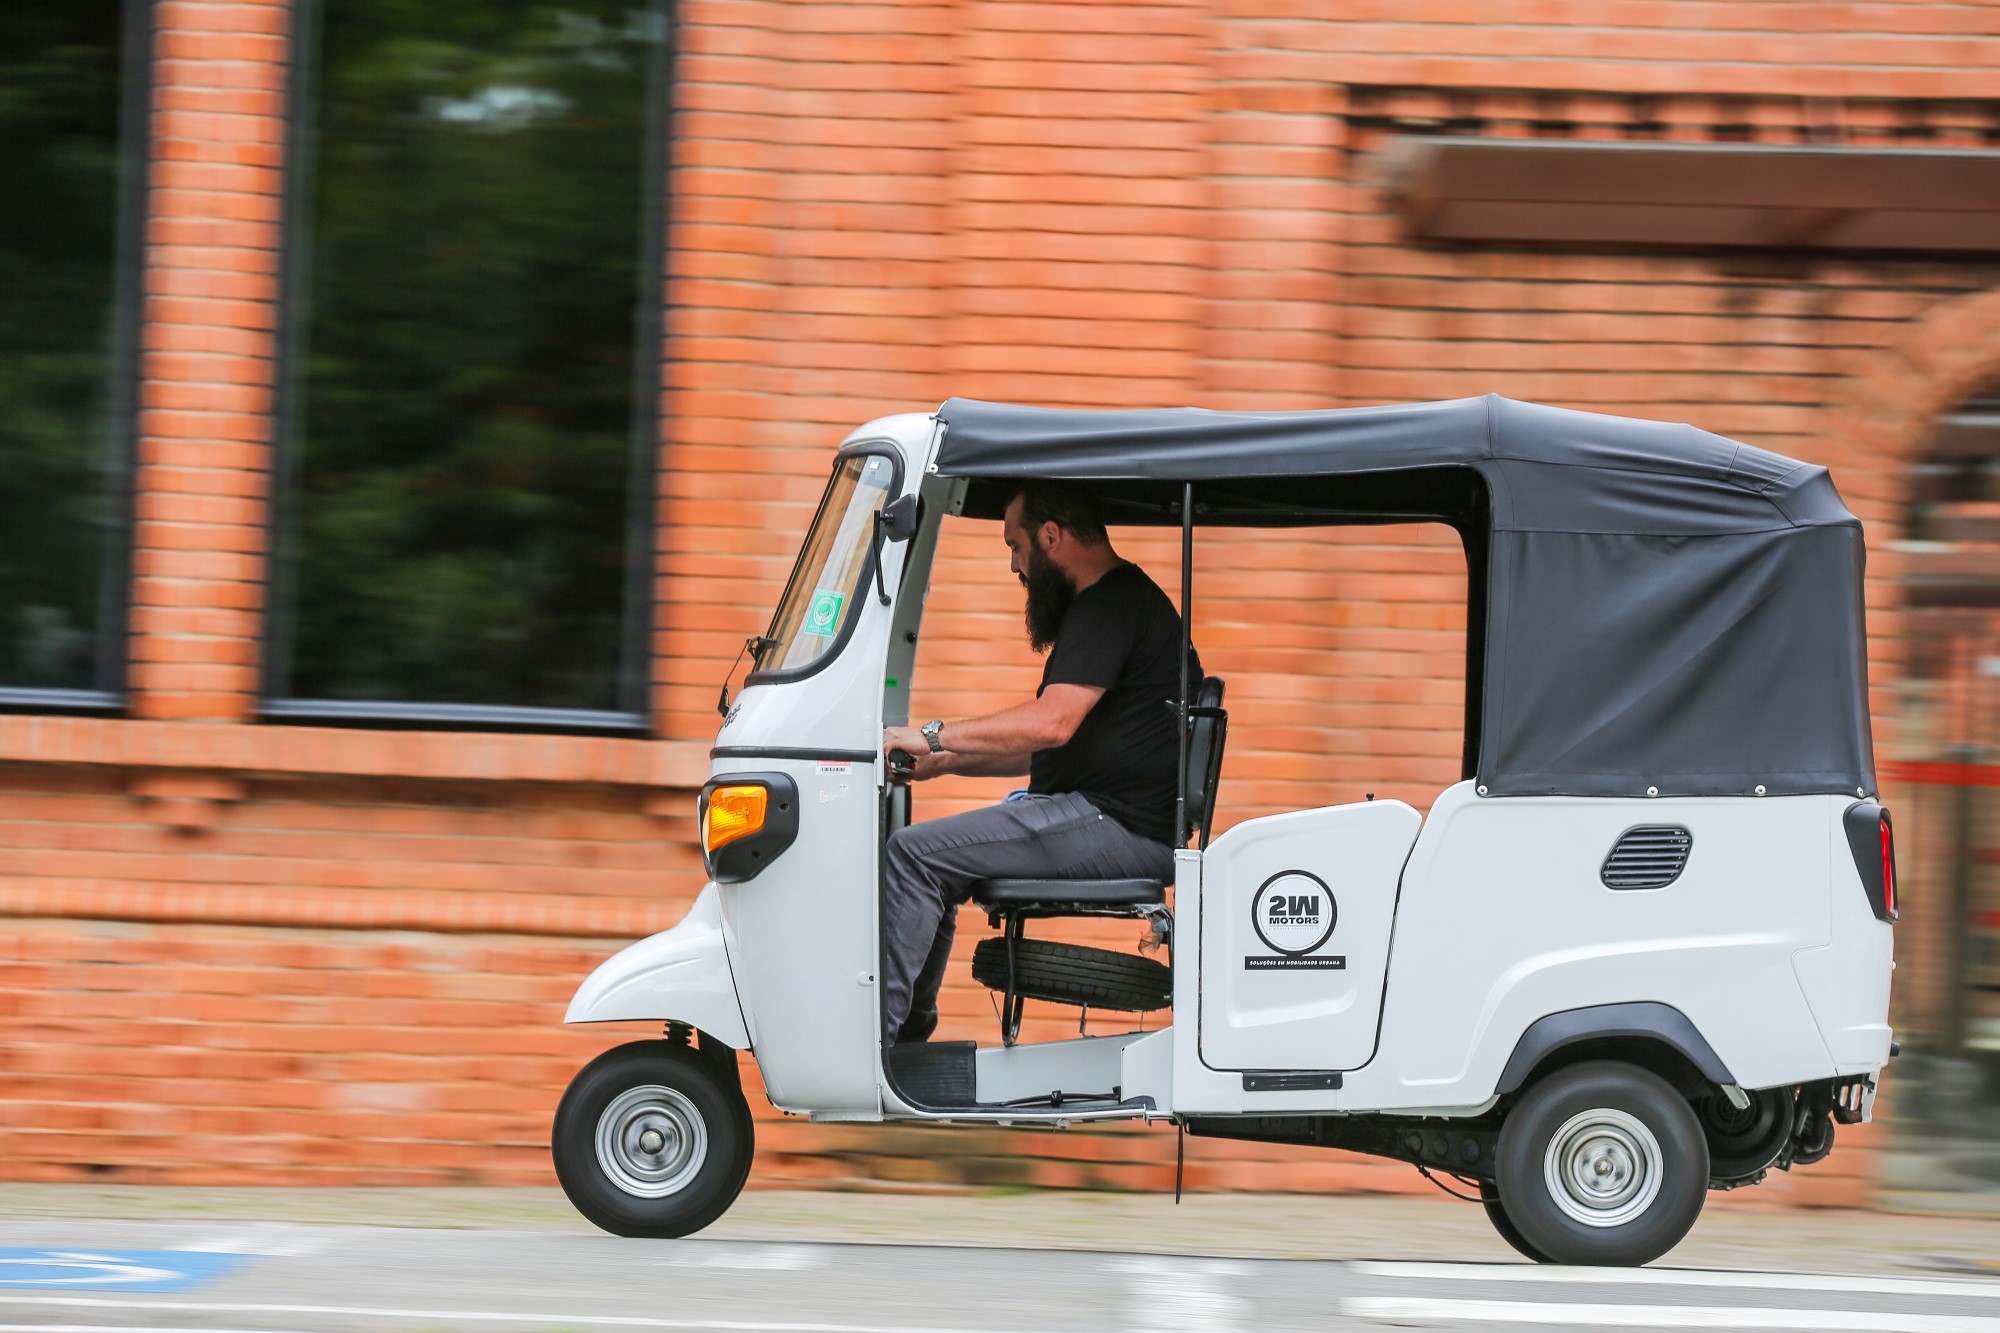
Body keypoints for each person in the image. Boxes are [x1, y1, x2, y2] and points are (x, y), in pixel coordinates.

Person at [878, 481, 1201, 1045]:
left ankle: (876, 1043)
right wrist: (946, 761)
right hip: (1113, 819)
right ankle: (904, 1036)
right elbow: (1052, 745)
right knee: (934, 862)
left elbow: (1051, 723)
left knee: (914, 856)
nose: (1014, 566)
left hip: (1116, 825)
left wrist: (930, 735)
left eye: (1016, 547)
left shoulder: (1109, 605)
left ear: (1051, 536)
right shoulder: (1117, 601)